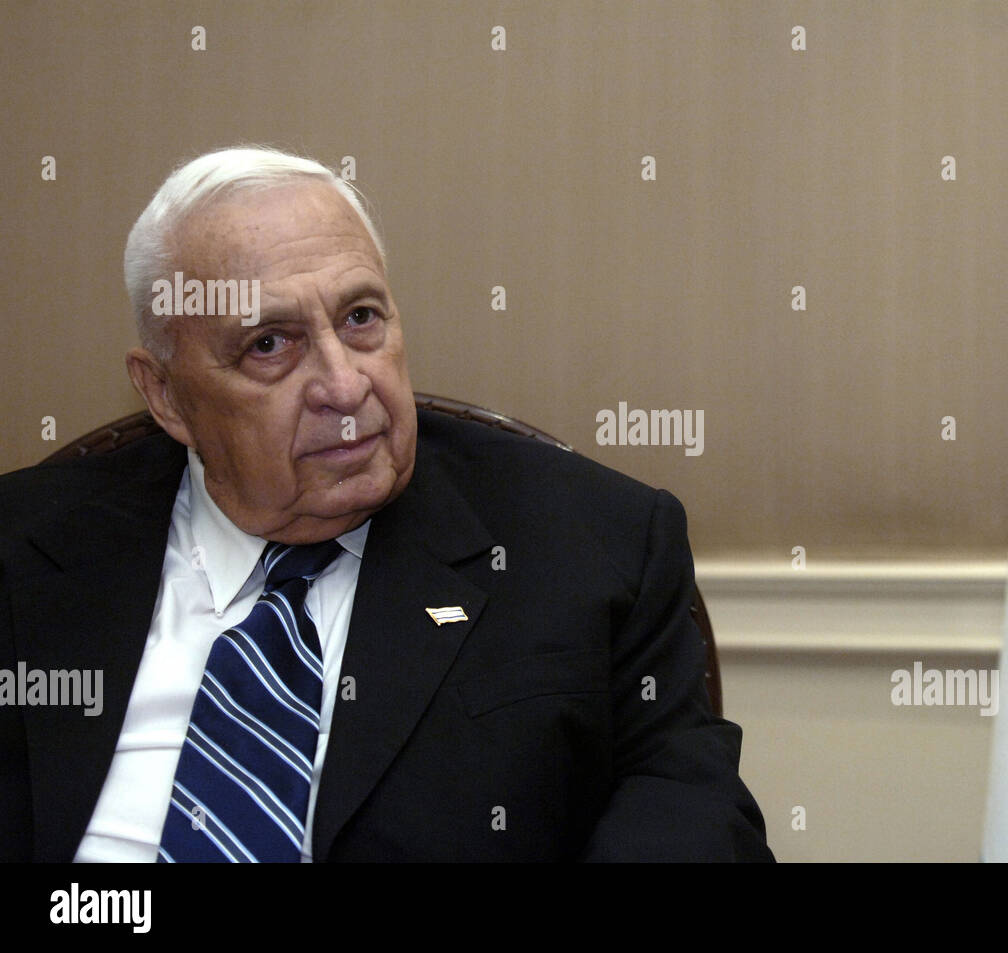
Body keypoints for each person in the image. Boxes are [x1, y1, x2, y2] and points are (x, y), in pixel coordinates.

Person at [0, 146, 773, 862]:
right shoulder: (26, 549)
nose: (344, 386)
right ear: (165, 392)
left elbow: (694, 810)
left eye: (360, 318)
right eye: (270, 343)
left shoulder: (588, 543)